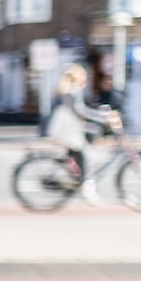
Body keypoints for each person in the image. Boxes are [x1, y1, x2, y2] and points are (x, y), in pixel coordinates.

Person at [43, 63, 120, 197]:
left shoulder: (68, 90)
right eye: (83, 77)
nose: (85, 81)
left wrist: (98, 119)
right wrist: (103, 117)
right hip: (67, 131)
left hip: (67, 129)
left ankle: (80, 181)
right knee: (87, 154)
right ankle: (85, 186)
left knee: (79, 154)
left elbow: (81, 112)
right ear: (76, 78)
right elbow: (81, 111)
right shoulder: (72, 91)